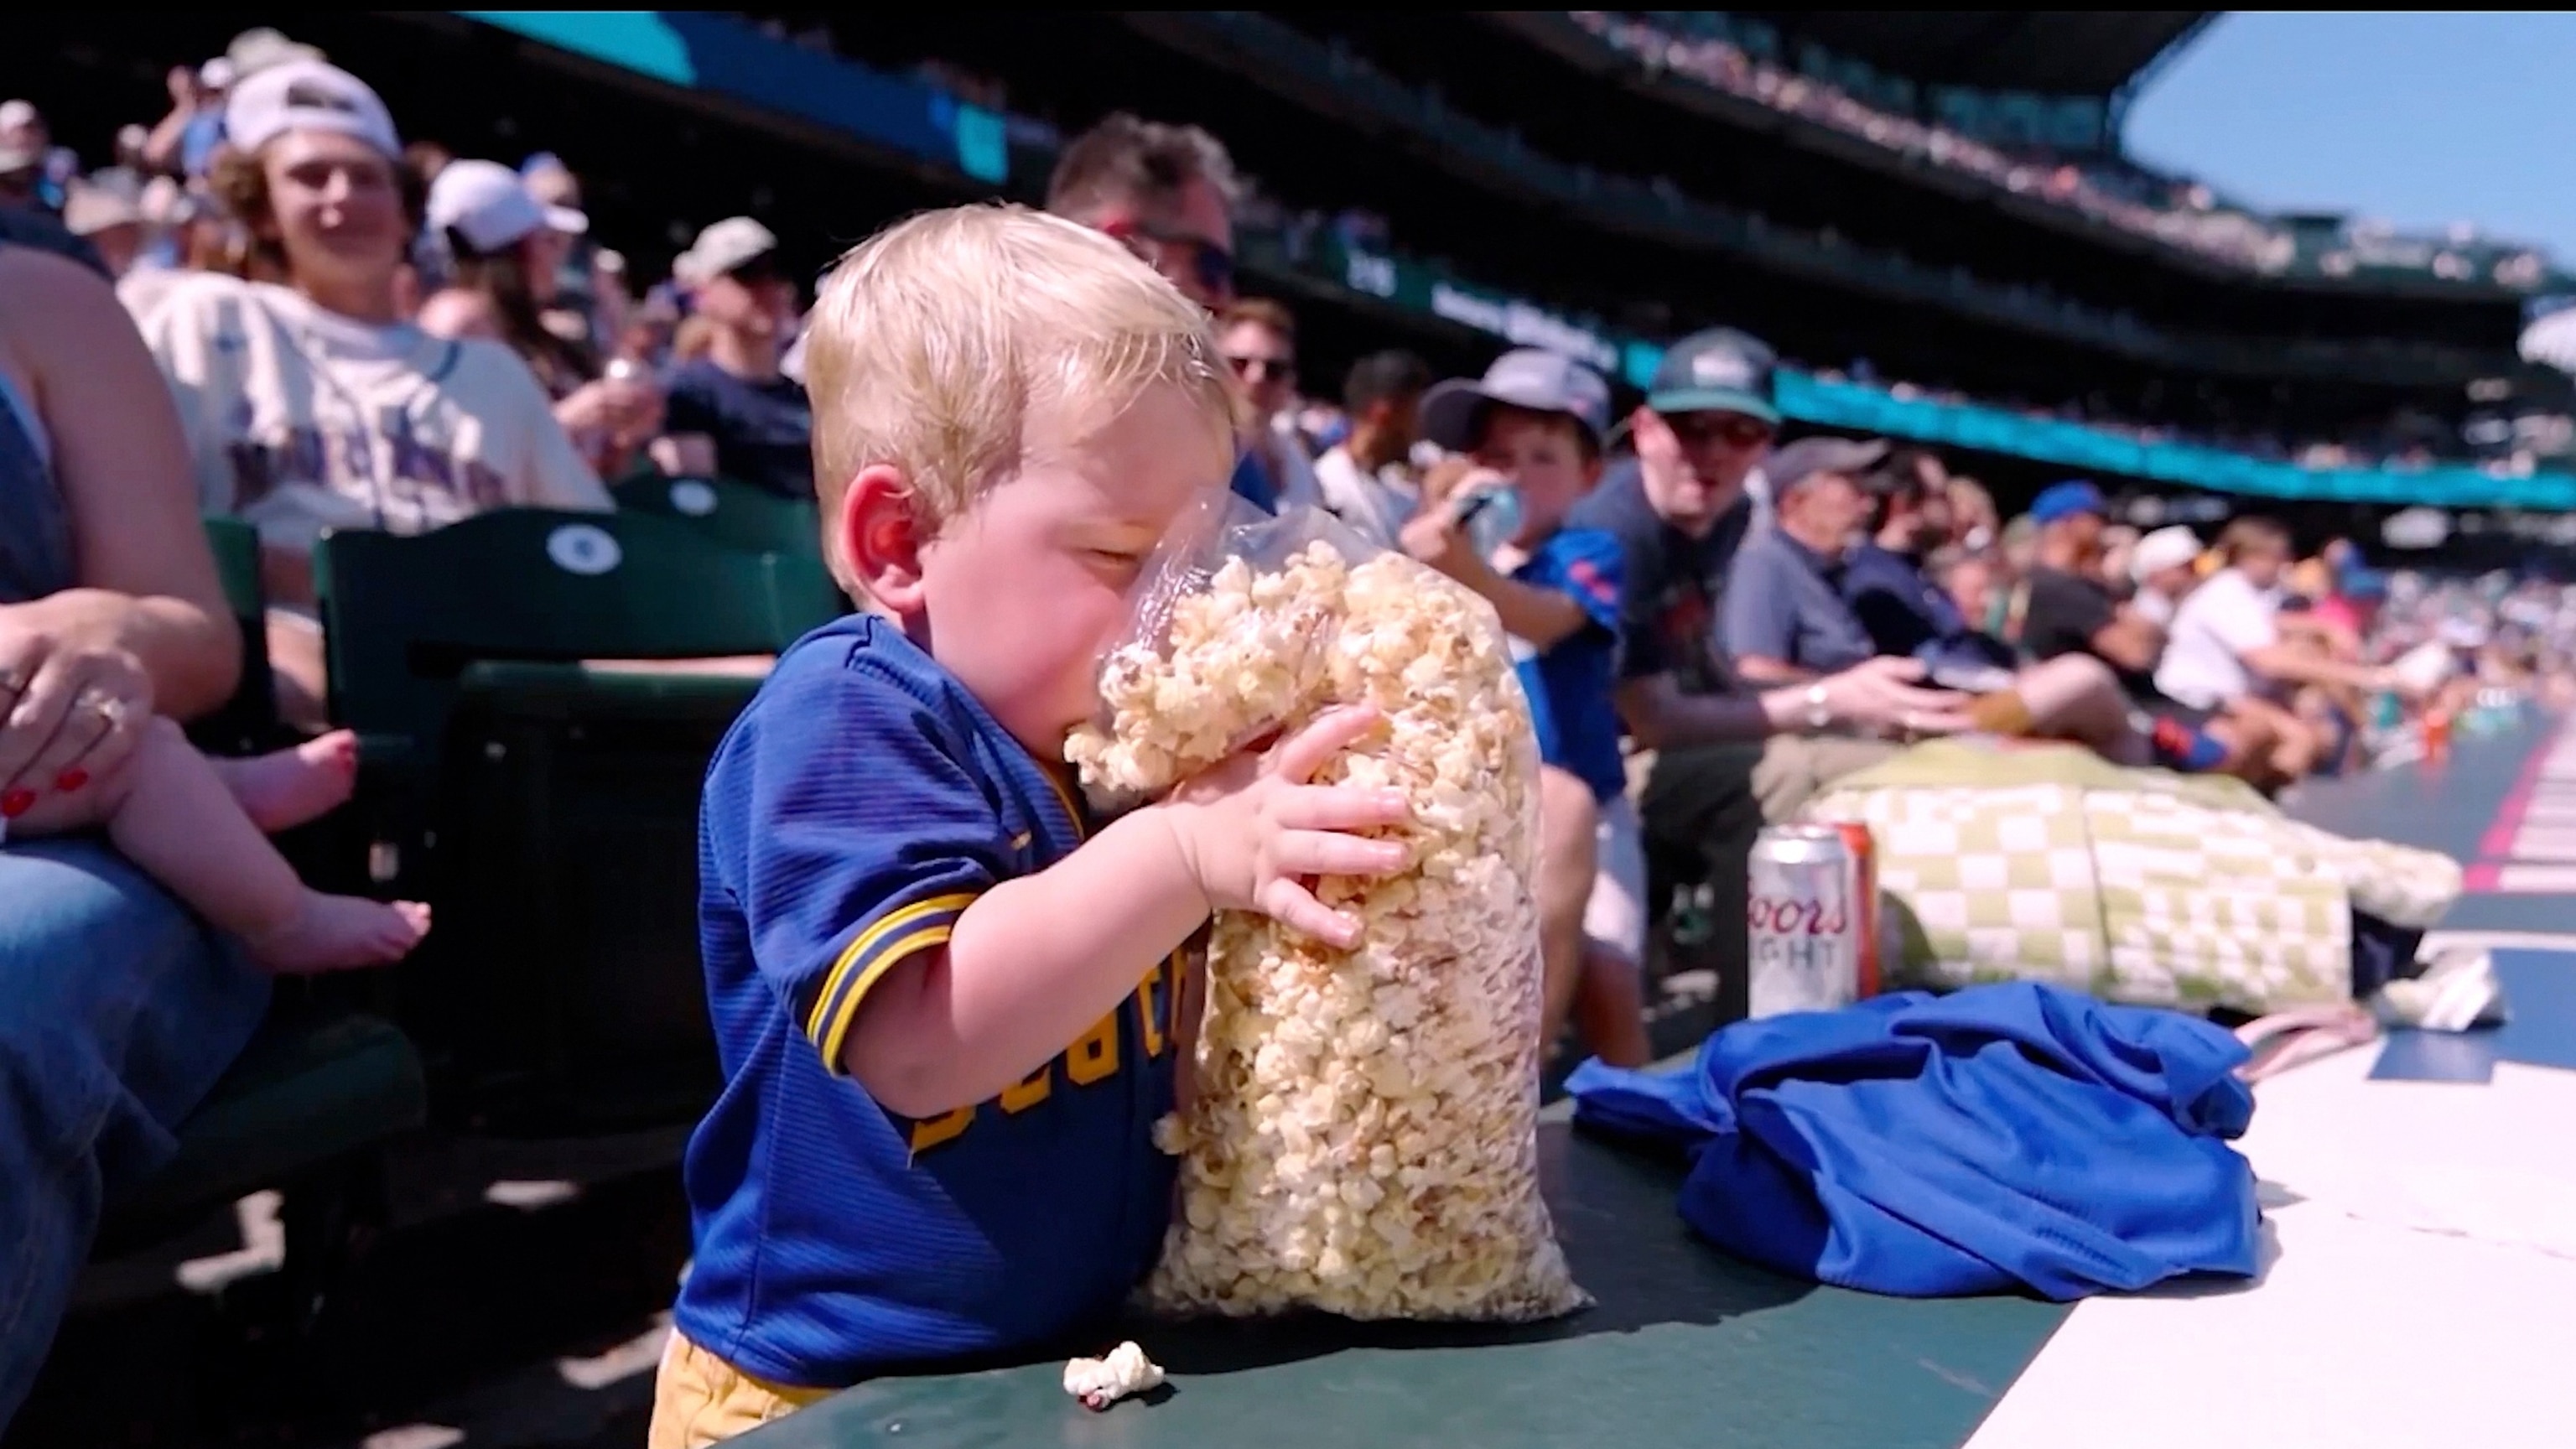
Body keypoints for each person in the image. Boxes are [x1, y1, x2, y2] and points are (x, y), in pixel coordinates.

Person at [652, 206, 1411, 1446]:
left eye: (1199, 562)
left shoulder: (1097, 739)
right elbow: (921, 1041)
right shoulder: (847, 720)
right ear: (899, 541)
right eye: (1122, 559)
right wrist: (1180, 854)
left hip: (1071, 1365)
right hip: (820, 1392)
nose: (1176, 616)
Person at [0, 239, 406, 1431]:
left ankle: (264, 863)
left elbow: (187, 626)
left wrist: (93, 630)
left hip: (67, 817)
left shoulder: (43, 300)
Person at [143, 61, 608, 722]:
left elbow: (587, 550)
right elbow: (145, 523)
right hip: (288, 651)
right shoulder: (208, 317)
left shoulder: (491, 372)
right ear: (263, 211)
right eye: (309, 178)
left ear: (405, 212)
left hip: (497, 663)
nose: (342, 198)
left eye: (368, 179)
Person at [1407, 349, 1648, 1068]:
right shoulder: (1445, 548)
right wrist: (1429, 535)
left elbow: (1545, 620)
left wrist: (1463, 566)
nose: (1513, 477)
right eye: (1496, 456)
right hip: (1472, 810)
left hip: (1584, 805)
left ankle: (1630, 1108)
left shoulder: (1586, 550)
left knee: (1609, 973)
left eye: (1543, 457)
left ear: (1589, 476)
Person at [1044, 113, 1265, 507]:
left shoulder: (1221, 447)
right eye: (1209, 266)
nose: (1225, 296)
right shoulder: (956, 399)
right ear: (1125, 251)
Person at [417, 159, 663, 479]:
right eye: (546, 240)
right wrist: (572, 419)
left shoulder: (535, 335)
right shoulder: (461, 319)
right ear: (520, 251)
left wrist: (621, 435)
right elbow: (445, 450)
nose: (557, 256)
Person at [658, 216, 813, 497]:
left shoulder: (805, 397)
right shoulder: (691, 394)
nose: (769, 288)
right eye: (748, 274)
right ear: (703, 294)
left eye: (777, 272)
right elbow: (699, 495)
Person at [1311, 349, 1432, 547]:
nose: (1418, 431)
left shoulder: (1394, 493)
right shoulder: (1327, 485)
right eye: (1413, 415)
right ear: (1383, 414)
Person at [1218, 298, 1322, 512]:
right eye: (1239, 364)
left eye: (1274, 370)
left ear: (1290, 381)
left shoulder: (1298, 464)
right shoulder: (1189, 449)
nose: (1256, 378)